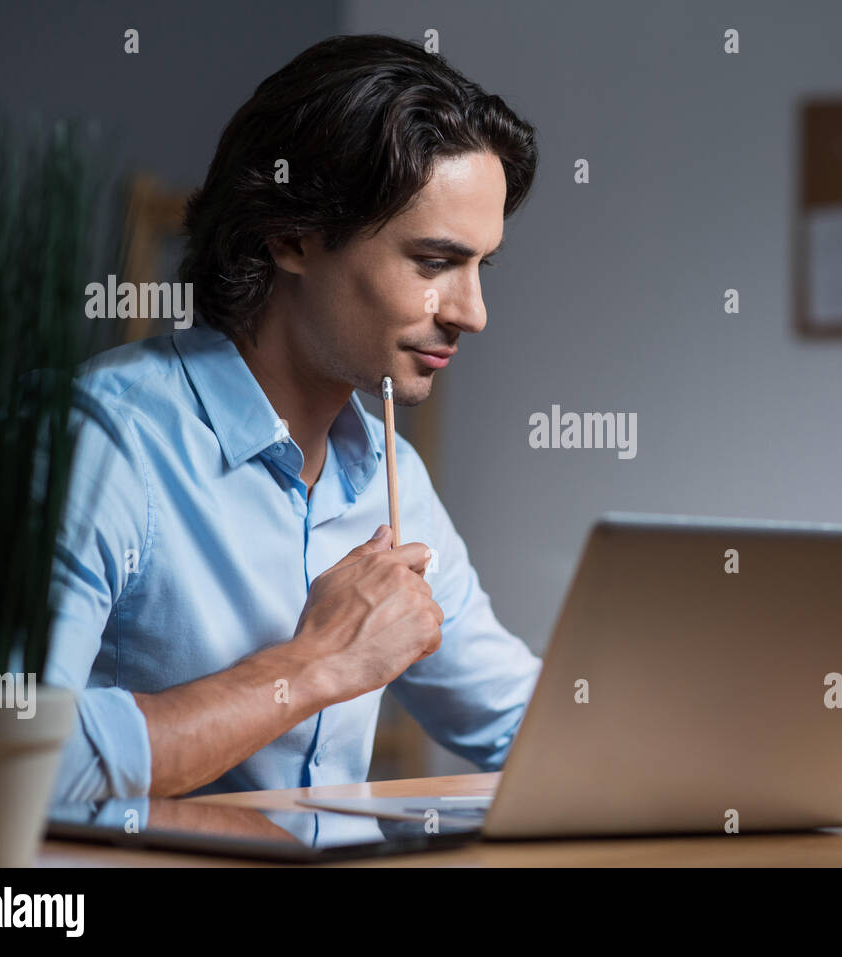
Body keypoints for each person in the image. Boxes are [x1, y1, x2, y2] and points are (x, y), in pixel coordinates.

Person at [45, 34, 542, 801]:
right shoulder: (104, 441)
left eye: (483, 266)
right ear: (290, 236)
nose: (473, 314)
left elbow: (523, 724)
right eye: (435, 262)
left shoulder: (390, 476)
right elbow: (5, 759)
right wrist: (316, 662)